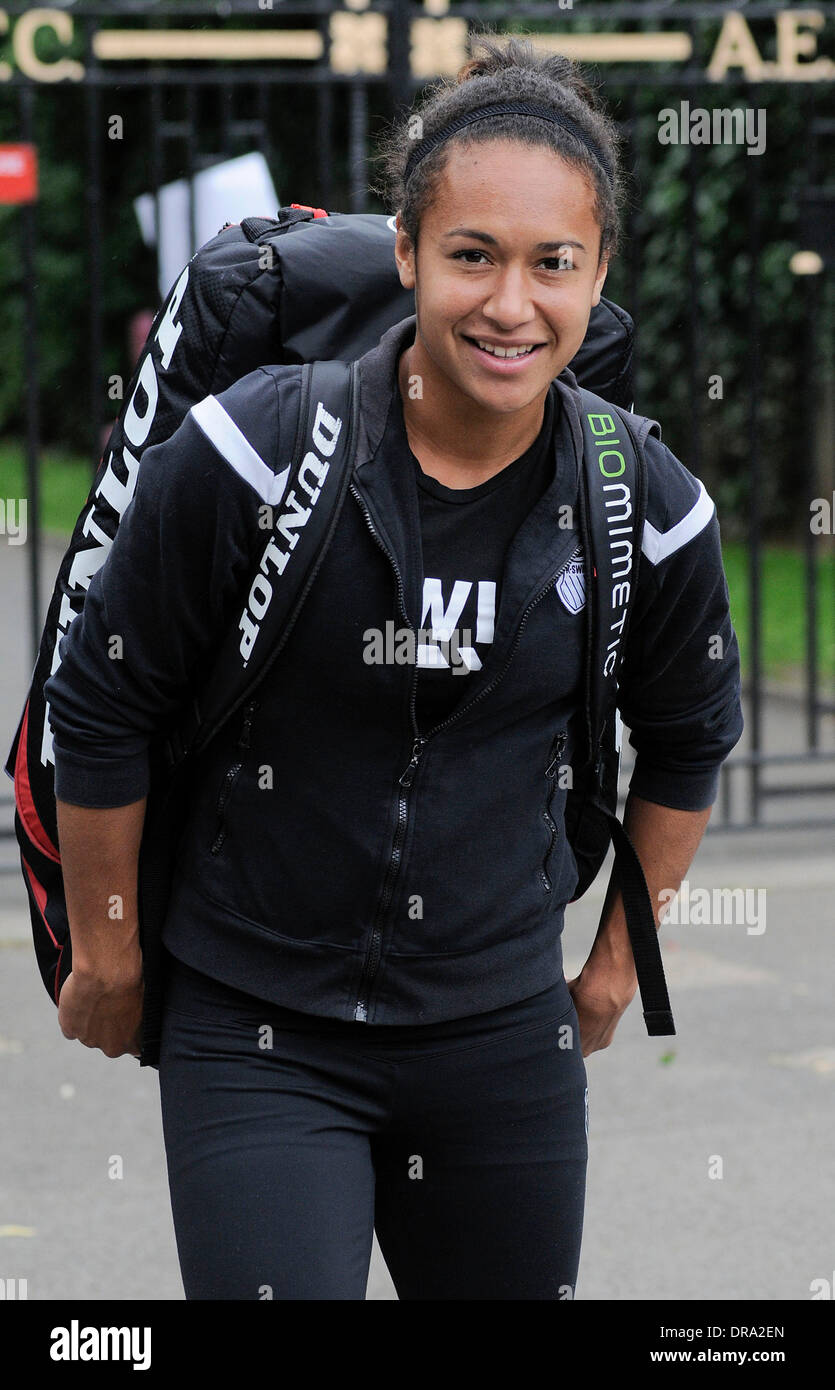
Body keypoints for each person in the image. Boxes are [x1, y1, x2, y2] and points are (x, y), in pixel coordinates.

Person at [44, 33, 744, 1300]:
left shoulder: (641, 498)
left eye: (553, 264)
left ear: (599, 276)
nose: (511, 304)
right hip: (258, 1027)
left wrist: (610, 973)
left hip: (496, 1036)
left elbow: (690, 735)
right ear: (408, 252)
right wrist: (107, 950)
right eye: (471, 255)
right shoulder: (254, 452)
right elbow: (102, 697)